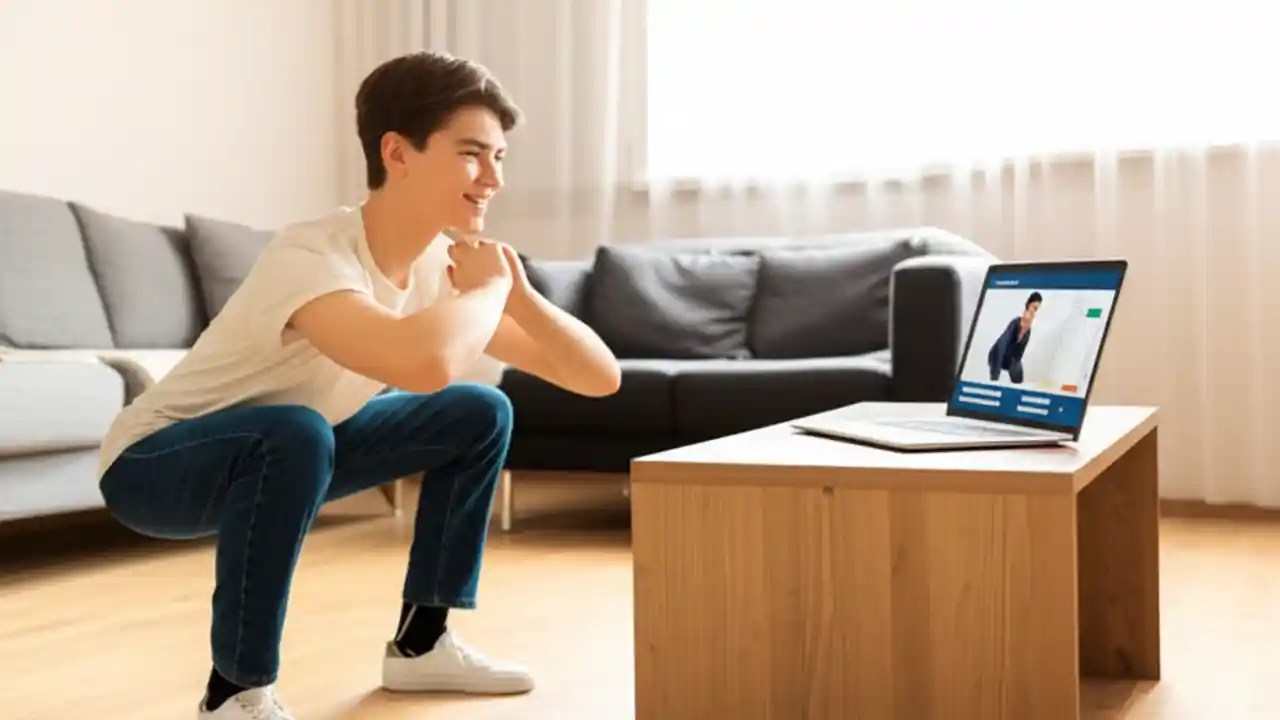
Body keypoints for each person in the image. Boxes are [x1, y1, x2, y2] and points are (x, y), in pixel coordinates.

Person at [96, 51, 622, 720]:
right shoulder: (312, 253)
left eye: (499, 158)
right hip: (153, 466)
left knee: (480, 410)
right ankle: (235, 693)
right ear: (397, 154)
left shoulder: (441, 266)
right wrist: (488, 291)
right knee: (295, 430)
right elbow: (424, 363)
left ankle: (422, 646)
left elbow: (600, 378)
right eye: (471, 153)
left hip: (289, 449)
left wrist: (518, 294)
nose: (492, 178)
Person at [986, 291, 1042, 384]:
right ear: (1028, 305)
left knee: (1018, 373)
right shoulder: (1015, 323)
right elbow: (1001, 344)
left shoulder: (1028, 330)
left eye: (1037, 309)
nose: (1034, 312)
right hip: (996, 356)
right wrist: (995, 376)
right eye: (1034, 308)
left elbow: (1018, 356)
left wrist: (1023, 332)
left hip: (1010, 360)